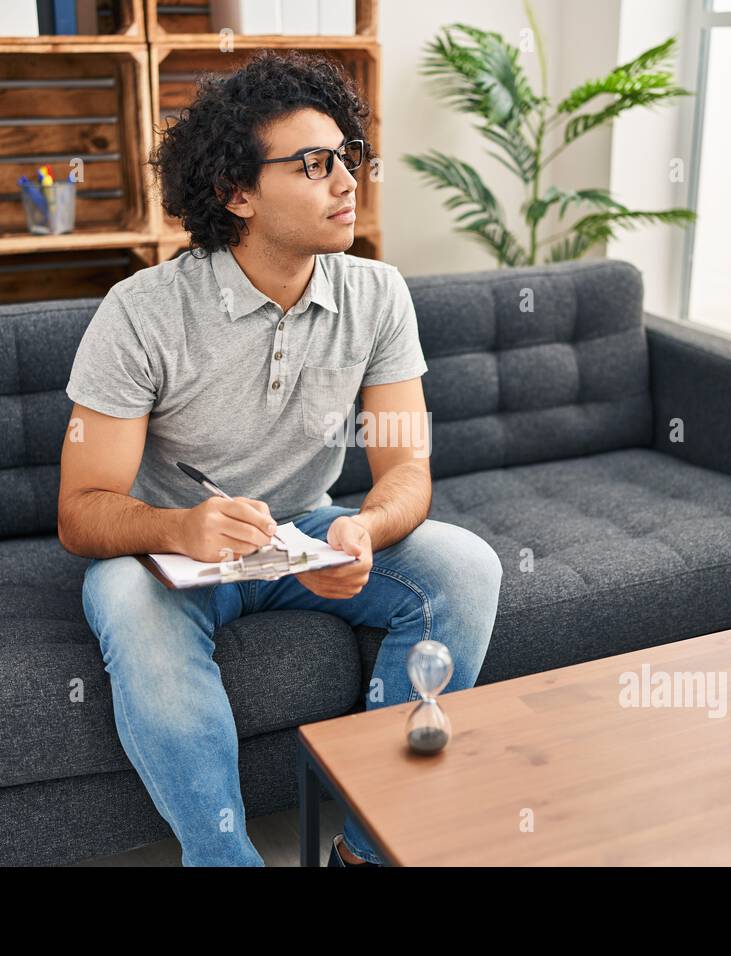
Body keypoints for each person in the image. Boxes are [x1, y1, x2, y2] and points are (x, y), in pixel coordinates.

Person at [57, 49, 502, 866]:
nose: (346, 182)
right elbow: (81, 512)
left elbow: (406, 471)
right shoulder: (143, 312)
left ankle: (366, 851)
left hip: (306, 530)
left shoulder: (378, 294)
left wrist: (363, 531)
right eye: (313, 164)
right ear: (237, 193)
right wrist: (183, 527)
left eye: (347, 158)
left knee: (464, 566)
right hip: (172, 550)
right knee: (123, 597)